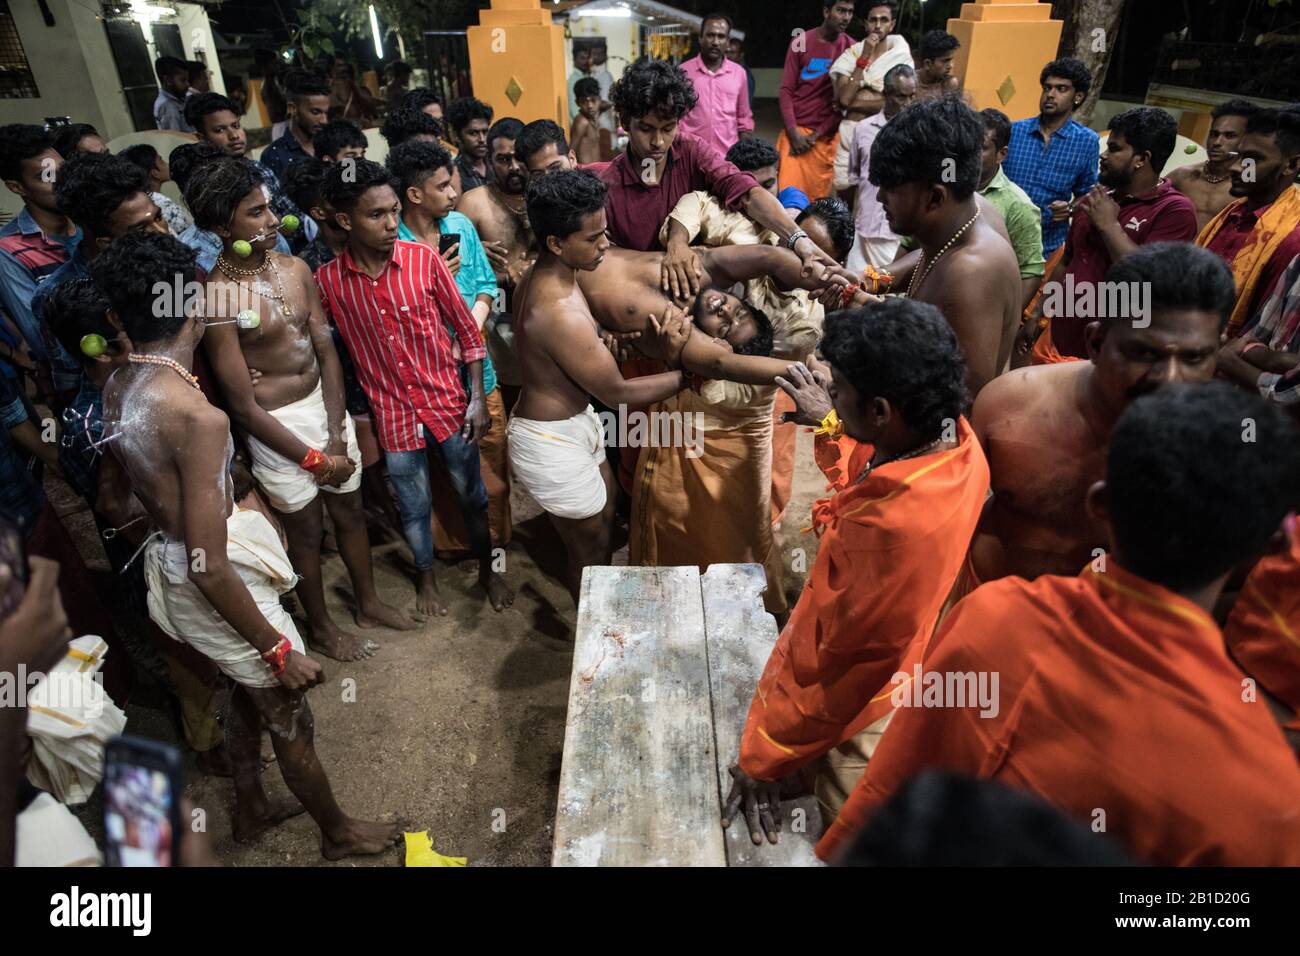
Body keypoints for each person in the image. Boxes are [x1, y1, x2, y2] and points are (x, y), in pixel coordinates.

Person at [818, 382, 1300, 865]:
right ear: (1275, 546)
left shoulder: (992, 618)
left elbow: (894, 782)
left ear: (1099, 505)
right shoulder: (1267, 793)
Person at [96, 230, 403, 859]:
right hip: (212, 580)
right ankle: (337, 834)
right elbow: (210, 567)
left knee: (242, 693)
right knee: (289, 710)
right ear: (192, 303)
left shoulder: (122, 384)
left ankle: (253, 808)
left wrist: (178, 522)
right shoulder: (197, 416)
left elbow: (112, 503)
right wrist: (277, 649)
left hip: (173, 565)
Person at [720, 299, 989, 841]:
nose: (829, 396)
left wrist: (767, 754)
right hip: (918, 649)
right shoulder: (954, 437)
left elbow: (842, 667)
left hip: (872, 706)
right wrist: (830, 418)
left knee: (848, 824)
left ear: (883, 411)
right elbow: (878, 466)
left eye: (838, 389)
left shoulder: (889, 529)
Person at [195, 158, 415, 660]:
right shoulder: (216, 298)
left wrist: (337, 434)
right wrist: (314, 459)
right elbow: (243, 406)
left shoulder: (295, 269)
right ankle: (321, 628)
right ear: (219, 226)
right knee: (308, 531)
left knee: (351, 511)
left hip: (323, 407)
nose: (273, 220)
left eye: (269, 208)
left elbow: (326, 349)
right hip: (276, 426)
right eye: (255, 213)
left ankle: (369, 602)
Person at [968, 242, 1230, 590]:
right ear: (1095, 342)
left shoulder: (1222, 453)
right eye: (1144, 353)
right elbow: (948, 514)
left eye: (1194, 359)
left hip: (1107, 630)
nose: (1169, 379)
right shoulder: (1010, 405)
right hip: (980, 606)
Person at [316, 160, 513, 616]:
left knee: (472, 493)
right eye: (376, 215)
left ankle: (489, 571)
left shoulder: (424, 262)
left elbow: (468, 332)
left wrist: (477, 400)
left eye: (392, 211)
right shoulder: (327, 283)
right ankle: (426, 578)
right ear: (345, 221)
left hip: (449, 404)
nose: (391, 224)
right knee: (413, 503)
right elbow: (315, 344)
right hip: (393, 414)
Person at [510, 171, 689, 600]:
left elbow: (574, 356)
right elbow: (618, 394)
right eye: (592, 239)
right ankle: (590, 637)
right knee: (588, 549)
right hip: (549, 439)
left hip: (575, 422)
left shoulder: (557, 274)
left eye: (604, 232)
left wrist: (607, 343)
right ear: (555, 243)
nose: (604, 245)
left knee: (607, 520)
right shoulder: (556, 309)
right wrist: (689, 372)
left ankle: (602, 612)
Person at [602, 58, 841, 285]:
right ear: (625, 122)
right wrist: (673, 251)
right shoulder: (608, 186)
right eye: (646, 129)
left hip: (707, 289)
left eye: (668, 128)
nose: (658, 142)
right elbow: (606, 259)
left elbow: (747, 192)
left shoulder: (693, 152)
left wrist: (799, 239)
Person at [388, 140, 512, 554]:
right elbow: (398, 318)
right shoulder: (395, 247)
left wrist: (469, 329)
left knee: (492, 467)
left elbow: (486, 284)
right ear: (415, 195)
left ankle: (494, 550)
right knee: (447, 474)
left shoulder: (460, 226)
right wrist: (432, 271)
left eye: (452, 183)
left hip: (479, 372)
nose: (453, 193)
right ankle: (457, 545)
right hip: (429, 382)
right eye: (442, 187)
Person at [858, 96, 1021, 393]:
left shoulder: (971, 274)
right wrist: (869, 281)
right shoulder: (969, 212)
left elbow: (959, 399)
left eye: (889, 189)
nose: (880, 198)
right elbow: (930, 257)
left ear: (935, 197)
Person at [1023, 107, 1199, 361]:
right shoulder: (1095, 198)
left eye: (1115, 149)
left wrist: (1108, 226)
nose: (1103, 155)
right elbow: (1066, 262)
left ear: (1142, 158)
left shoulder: (1174, 211)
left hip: (1114, 356)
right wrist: (1038, 315)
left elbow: (1150, 280)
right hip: (1059, 346)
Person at [1196, 107, 1300, 338]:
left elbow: (1263, 332)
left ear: (1291, 165)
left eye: (1252, 160)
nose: (1236, 168)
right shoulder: (1232, 214)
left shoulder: (1291, 240)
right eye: (1239, 157)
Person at [0, 125, 80, 389]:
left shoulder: (91, 221)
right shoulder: (9, 250)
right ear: (16, 186)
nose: (63, 183)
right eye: (46, 177)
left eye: (64, 171)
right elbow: (42, 337)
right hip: (78, 385)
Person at [184, 92, 314, 246]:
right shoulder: (206, 186)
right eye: (219, 130)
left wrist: (282, 225)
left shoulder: (259, 169)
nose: (233, 135)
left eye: (236, 126)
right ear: (201, 138)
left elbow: (294, 219)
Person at [1003, 57, 1100, 256]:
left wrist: (1070, 208)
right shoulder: (1014, 131)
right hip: (1000, 238)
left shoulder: (1086, 141)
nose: (1050, 95)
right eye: (1047, 88)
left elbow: (1087, 192)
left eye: (1061, 89)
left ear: (1078, 97)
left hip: (1045, 247)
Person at [830, 2, 911, 196]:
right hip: (849, 134)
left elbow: (896, 104)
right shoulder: (852, 54)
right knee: (844, 192)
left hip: (881, 134)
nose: (878, 25)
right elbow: (843, 98)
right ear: (866, 24)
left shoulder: (900, 56)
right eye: (873, 20)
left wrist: (851, 102)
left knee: (876, 196)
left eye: (884, 20)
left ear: (892, 25)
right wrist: (864, 57)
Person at [777, 0, 856, 199]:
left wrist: (817, 134)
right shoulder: (801, 41)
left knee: (817, 207)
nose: (846, 17)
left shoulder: (853, 48)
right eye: (840, 11)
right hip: (795, 134)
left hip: (826, 138)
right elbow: (786, 89)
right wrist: (794, 133)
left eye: (850, 12)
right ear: (826, 11)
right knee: (788, 200)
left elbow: (845, 103)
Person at [843, 64, 915, 272]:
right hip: (864, 229)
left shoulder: (921, 134)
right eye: (902, 97)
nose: (908, 104)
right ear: (886, 94)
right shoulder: (863, 129)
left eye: (912, 97)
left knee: (892, 298)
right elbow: (855, 177)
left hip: (901, 235)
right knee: (855, 292)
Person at [975, 108, 1044, 311]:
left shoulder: (1018, 205)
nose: (968, 153)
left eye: (980, 147)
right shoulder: (947, 185)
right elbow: (912, 243)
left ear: (1001, 154)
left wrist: (1005, 324)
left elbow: (1031, 271)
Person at [1169, 99, 1260, 232]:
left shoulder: (1249, 185)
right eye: (1214, 134)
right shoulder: (1182, 176)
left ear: (1247, 140)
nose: (1217, 142)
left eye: (1229, 136)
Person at [677, 14, 755, 158]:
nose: (715, 41)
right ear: (700, 38)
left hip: (727, 158)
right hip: (690, 158)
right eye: (710, 35)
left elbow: (744, 118)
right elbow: (675, 118)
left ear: (727, 42)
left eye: (721, 36)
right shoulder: (682, 72)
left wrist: (744, 155)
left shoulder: (739, 74)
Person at [258, 72, 333, 182]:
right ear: (292, 108)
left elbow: (352, 184)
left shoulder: (333, 144)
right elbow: (273, 197)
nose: (324, 121)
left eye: (326, 113)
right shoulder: (273, 155)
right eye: (316, 112)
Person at [120, 143, 193, 236]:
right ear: (155, 173)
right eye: (161, 160)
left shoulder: (136, 200)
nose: (167, 164)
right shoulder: (164, 204)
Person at [516, 118, 609, 180]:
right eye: (538, 175)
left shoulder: (605, 177)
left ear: (572, 159)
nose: (549, 180)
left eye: (555, 169)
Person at [447, 97, 495, 192]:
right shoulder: (452, 173)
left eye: (485, 132)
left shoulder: (496, 164)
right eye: (473, 133)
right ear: (457, 135)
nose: (482, 139)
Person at [913, 30, 961, 101]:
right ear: (927, 64)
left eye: (951, 60)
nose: (951, 66)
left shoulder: (949, 84)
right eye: (945, 61)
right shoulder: (910, 83)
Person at [329, 61, 378, 126]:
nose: (335, 81)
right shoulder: (331, 91)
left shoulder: (363, 92)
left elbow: (373, 111)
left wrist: (357, 90)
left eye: (342, 78)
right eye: (335, 77)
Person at [570, 77, 605, 166]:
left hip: (595, 171)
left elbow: (607, 104)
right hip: (585, 173)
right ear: (577, 103)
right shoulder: (582, 122)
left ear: (600, 100)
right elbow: (571, 151)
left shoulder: (592, 117)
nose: (589, 105)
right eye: (584, 102)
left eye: (593, 100)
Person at [153, 56, 193, 132]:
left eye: (188, 80)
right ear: (167, 80)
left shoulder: (179, 98)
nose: (187, 84)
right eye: (182, 80)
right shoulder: (167, 105)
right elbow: (175, 137)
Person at [567, 45, 592, 123]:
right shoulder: (573, 79)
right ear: (574, 59)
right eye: (582, 58)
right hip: (580, 124)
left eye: (587, 58)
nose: (585, 61)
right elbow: (573, 106)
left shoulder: (587, 75)